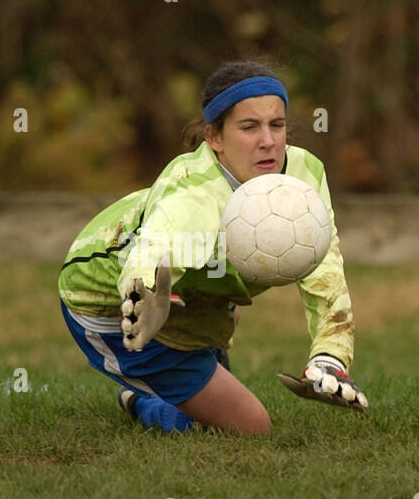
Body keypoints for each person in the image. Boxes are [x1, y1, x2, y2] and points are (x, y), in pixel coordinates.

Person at [58, 61, 367, 434]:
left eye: (277, 125)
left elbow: (325, 268)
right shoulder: (190, 189)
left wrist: (330, 358)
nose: (268, 140)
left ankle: (173, 381)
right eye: (249, 127)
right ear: (215, 138)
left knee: (224, 331)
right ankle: (144, 402)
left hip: (189, 300)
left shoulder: (305, 175)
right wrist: (147, 291)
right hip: (104, 301)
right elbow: (154, 250)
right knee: (250, 426)